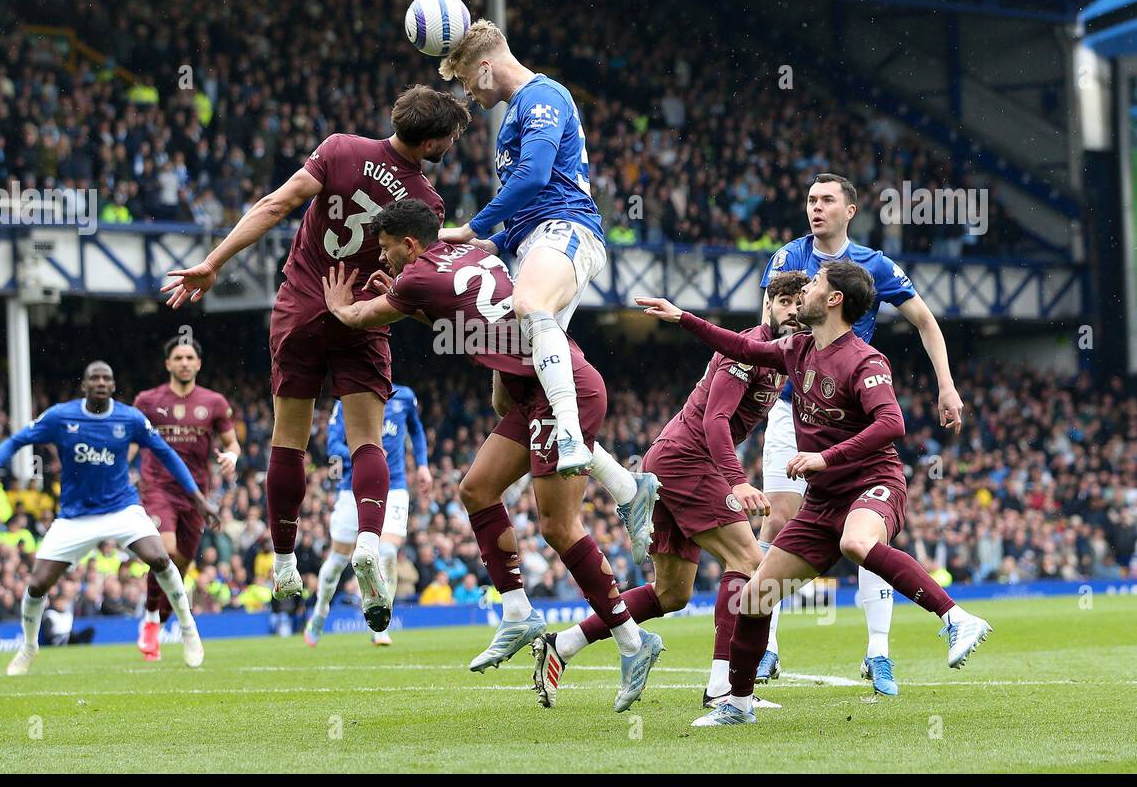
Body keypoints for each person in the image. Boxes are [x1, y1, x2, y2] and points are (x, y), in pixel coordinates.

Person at [322, 198, 663, 712]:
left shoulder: (415, 276)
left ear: (410, 243)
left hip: (559, 389)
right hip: (534, 388)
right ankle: (520, 612)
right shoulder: (467, 256)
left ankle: (633, 642)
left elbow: (362, 318)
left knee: (557, 526)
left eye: (388, 248)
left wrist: (339, 307)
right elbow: (458, 308)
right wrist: (400, 297)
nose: (384, 257)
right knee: (476, 488)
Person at [162, 86, 469, 633]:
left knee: (289, 440)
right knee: (367, 441)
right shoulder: (426, 203)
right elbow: (415, 278)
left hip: (302, 304)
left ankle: (284, 562)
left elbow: (275, 205)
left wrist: (213, 263)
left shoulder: (340, 150)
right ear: (429, 141)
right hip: (363, 312)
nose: (455, 143)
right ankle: (369, 544)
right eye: (451, 136)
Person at [634, 261, 992, 727]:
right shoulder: (796, 348)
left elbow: (892, 424)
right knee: (757, 597)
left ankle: (955, 619)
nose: (806, 289)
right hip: (822, 503)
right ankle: (738, 705)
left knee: (856, 543)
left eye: (816, 283)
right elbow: (739, 345)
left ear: (835, 299)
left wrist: (826, 458)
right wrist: (682, 317)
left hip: (872, 483)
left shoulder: (866, 360)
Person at [531, 270, 808, 710]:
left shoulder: (784, 355)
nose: (793, 310)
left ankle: (562, 644)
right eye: (785, 302)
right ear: (769, 305)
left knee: (672, 594)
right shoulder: (749, 349)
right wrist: (737, 479)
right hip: (687, 460)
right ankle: (724, 686)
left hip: (673, 460)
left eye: (800, 302)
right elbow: (715, 421)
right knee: (750, 561)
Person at [436, 20, 659, 547]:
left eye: (470, 82)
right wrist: (488, 244)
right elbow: (526, 203)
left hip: (568, 230)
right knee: (508, 395)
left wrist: (474, 226)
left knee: (529, 302)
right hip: (533, 241)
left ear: (486, 66)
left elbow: (536, 179)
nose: (470, 95)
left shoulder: (543, 95)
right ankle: (629, 488)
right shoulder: (516, 109)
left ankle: (571, 437)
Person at [753, 172, 965, 695]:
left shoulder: (874, 265)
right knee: (777, 519)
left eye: (826, 200)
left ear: (850, 210)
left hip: (849, 417)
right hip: (791, 408)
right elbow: (764, 330)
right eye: (809, 199)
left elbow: (925, 321)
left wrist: (946, 385)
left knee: (864, 532)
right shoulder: (785, 259)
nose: (815, 208)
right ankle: (767, 648)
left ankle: (878, 653)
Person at [0, 361, 219, 676]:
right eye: (95, 378)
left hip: (122, 509)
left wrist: (198, 498)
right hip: (75, 517)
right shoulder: (62, 416)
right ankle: (29, 647)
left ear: (113, 386)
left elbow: (166, 454)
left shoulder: (129, 418)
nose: (101, 382)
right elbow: (17, 440)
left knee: (160, 557)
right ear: (84, 385)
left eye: (107, 378)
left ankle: (188, 630)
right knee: (37, 584)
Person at [133, 335, 239, 661]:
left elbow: (231, 443)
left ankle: (159, 619)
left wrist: (231, 457)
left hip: (195, 494)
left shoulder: (215, 403)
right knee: (164, 552)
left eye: (189, 358)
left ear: (198, 364)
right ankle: (151, 618)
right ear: (168, 364)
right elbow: (131, 442)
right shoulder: (147, 401)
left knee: (180, 566)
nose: (184, 363)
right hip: (156, 488)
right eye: (178, 358)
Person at [307, 385, 431, 647]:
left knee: (386, 553)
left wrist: (422, 465)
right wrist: (366, 457)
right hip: (354, 488)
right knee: (338, 559)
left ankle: (381, 625)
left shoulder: (405, 397)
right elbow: (333, 445)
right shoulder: (348, 399)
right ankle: (320, 610)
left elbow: (417, 430)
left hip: (395, 486)